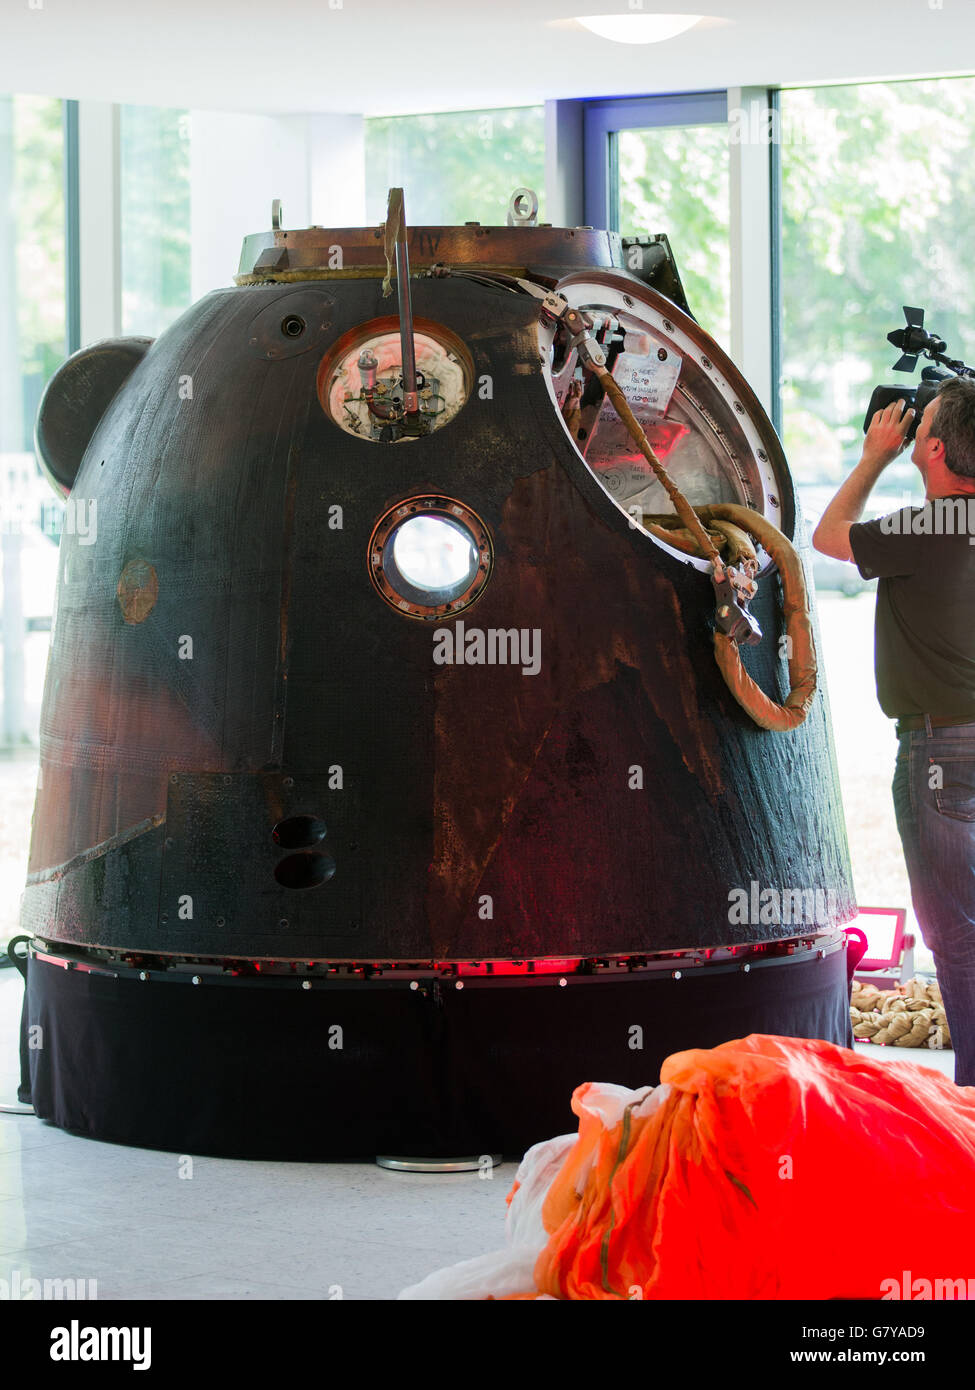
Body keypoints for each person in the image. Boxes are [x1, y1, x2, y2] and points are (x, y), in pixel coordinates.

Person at [812, 378, 975, 1086]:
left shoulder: (926, 528)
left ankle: (971, 1093)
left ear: (931, 449)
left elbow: (826, 537)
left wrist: (874, 456)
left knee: (954, 935)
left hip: (943, 749)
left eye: (919, 424)